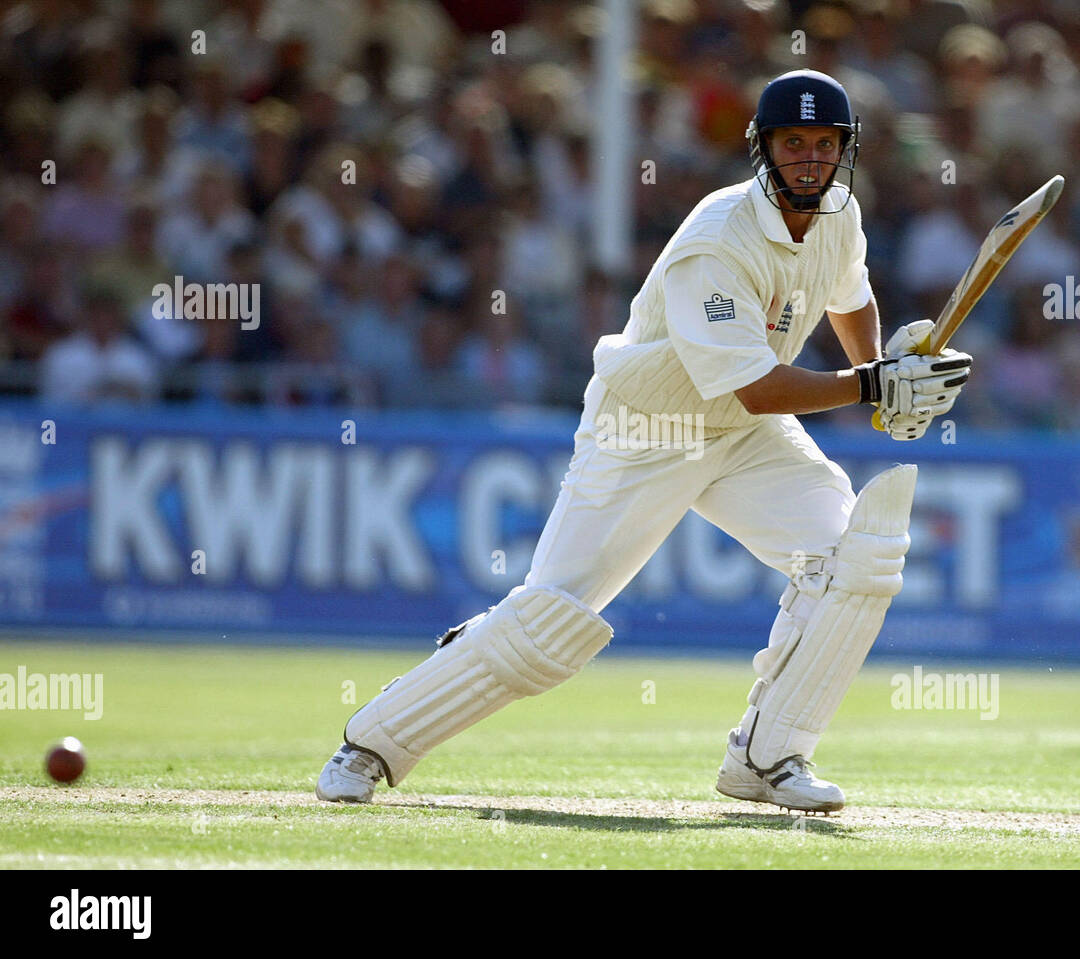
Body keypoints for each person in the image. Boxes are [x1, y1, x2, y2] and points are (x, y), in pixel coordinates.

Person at [315, 70, 973, 812]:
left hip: (742, 435)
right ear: (764, 149)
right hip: (647, 426)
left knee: (858, 558)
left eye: (826, 144)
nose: (811, 159)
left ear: (845, 152)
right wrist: (872, 386)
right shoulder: (717, 241)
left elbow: (849, 298)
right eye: (795, 143)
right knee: (549, 622)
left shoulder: (841, 215)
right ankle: (369, 742)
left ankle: (769, 756)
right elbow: (756, 384)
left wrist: (877, 371)